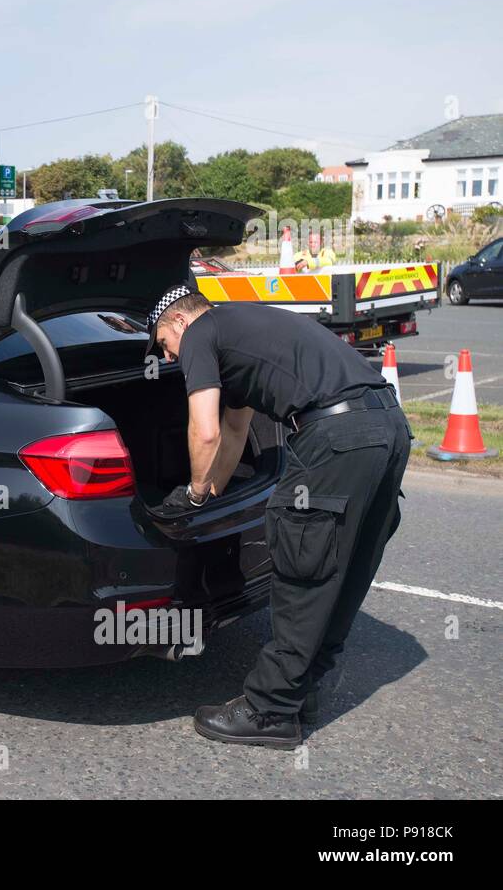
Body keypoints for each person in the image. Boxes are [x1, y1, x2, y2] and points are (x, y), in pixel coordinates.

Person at [145, 285, 411, 748]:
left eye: (164, 345)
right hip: (386, 425)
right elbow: (234, 428)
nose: (168, 358)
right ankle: (298, 690)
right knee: (341, 568)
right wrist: (211, 495)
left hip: (334, 434)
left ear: (179, 322)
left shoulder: (200, 335)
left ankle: (269, 710)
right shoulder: (242, 328)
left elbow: (204, 432)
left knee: (301, 570)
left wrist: (189, 493)